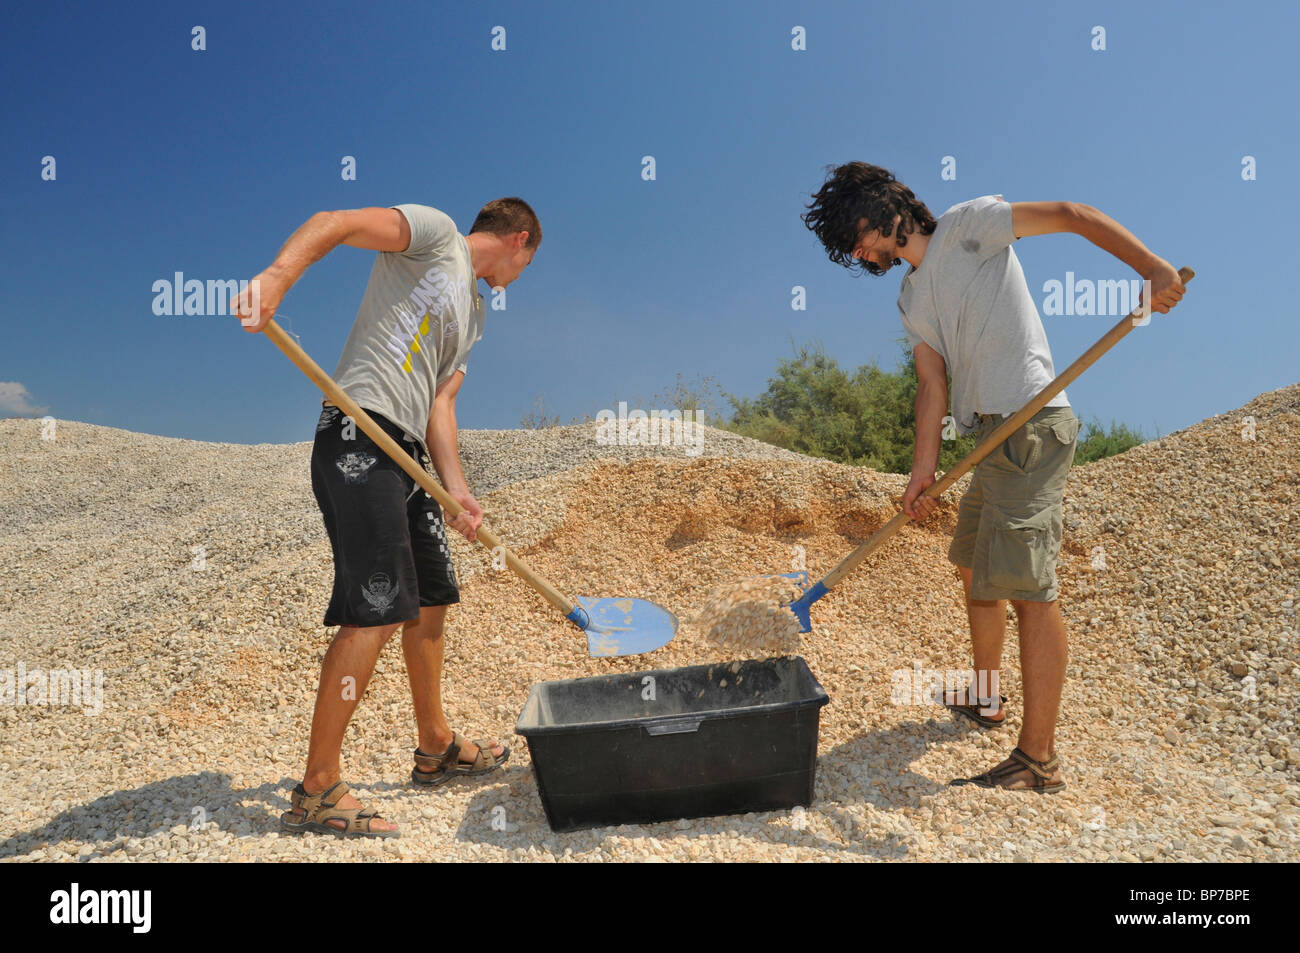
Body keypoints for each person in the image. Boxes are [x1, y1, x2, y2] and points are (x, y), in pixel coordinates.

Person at [802, 163, 1183, 792]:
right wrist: (922, 470)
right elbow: (932, 386)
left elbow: (1070, 214)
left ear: (884, 211)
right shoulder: (911, 297)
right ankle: (986, 697)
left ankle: (1038, 761)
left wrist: (1152, 268)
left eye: (855, 233)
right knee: (972, 566)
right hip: (989, 439)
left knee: (1031, 589)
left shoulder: (969, 226)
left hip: (1033, 426)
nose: (855, 250)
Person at [232, 198, 541, 835]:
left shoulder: (476, 313)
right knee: (376, 604)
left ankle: (434, 744)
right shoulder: (434, 235)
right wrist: (277, 278)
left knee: (430, 597)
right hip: (358, 433)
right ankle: (317, 786)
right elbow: (336, 222)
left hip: (411, 455)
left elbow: (441, 406)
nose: (521, 274)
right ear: (521, 238)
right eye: (529, 260)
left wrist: (458, 492)